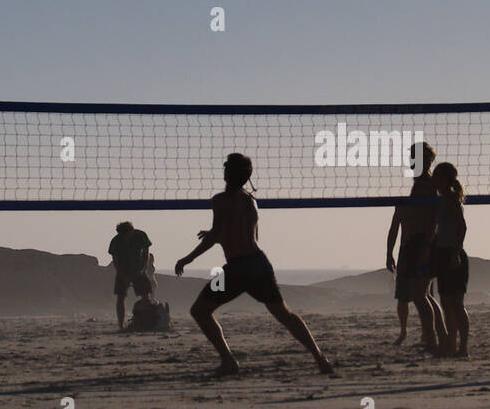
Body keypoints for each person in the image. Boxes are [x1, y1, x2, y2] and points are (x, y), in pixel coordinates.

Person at [175, 153, 332, 376]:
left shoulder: (220, 200)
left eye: (226, 166)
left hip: (238, 268)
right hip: (258, 263)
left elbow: (218, 235)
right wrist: (215, 233)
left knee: (200, 311)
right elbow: (242, 233)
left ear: (229, 173)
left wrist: (187, 258)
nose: (224, 169)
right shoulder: (251, 201)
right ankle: (320, 358)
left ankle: (228, 361)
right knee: (284, 314)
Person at [385, 141, 446, 352]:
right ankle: (438, 337)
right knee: (424, 296)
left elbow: (433, 221)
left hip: (422, 246)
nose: (411, 160)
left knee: (421, 296)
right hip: (415, 246)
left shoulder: (427, 184)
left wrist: (426, 247)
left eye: (415, 156)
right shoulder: (420, 183)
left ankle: (433, 340)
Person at [430, 162, 470, 357]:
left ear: (444, 180)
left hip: (453, 253)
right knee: (446, 302)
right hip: (443, 253)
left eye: (436, 177)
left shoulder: (452, 201)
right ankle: (452, 346)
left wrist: (455, 253)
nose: (434, 181)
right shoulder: (442, 200)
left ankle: (462, 347)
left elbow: (462, 228)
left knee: (456, 303)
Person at [108, 221, 155, 330]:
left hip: (138, 269)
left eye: (128, 235)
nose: (126, 237)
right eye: (123, 235)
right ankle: (121, 325)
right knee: (121, 296)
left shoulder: (141, 235)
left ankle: (149, 322)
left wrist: (143, 269)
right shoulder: (116, 241)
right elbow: (115, 260)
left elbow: (146, 253)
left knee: (146, 296)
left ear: (132, 231)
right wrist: (123, 275)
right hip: (123, 270)